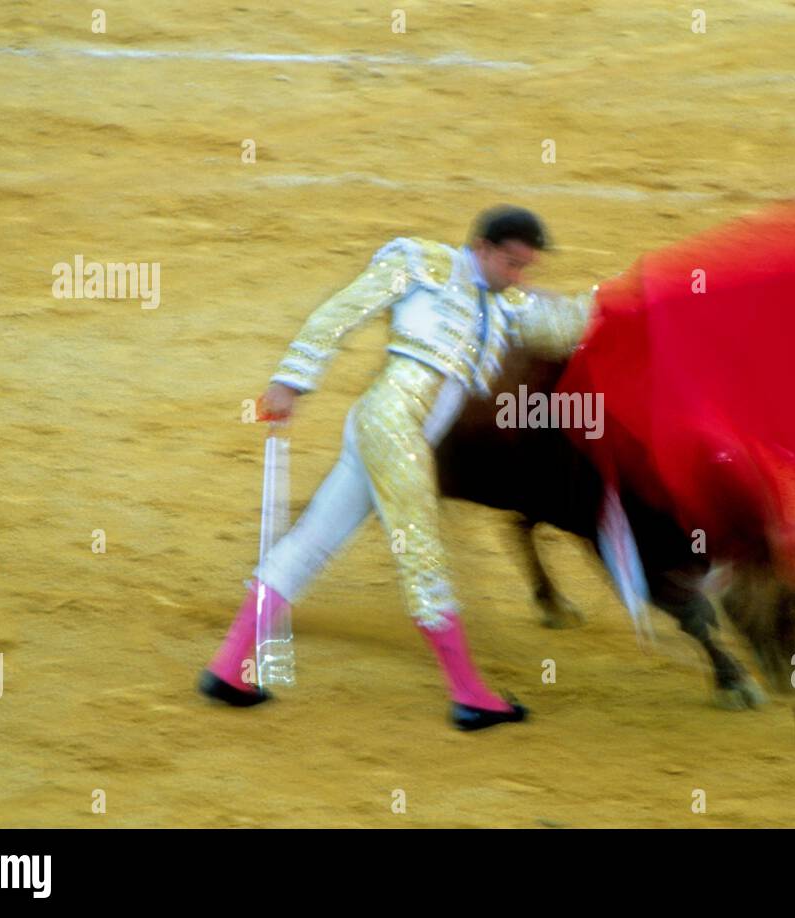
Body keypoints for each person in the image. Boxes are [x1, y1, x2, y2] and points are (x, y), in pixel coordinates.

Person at [200, 205, 596, 730]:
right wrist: (289, 380)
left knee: (313, 542)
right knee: (422, 554)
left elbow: (569, 323)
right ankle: (470, 695)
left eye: (526, 267)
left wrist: (639, 294)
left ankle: (228, 668)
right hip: (393, 428)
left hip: (386, 432)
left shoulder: (510, 304)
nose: (517, 275)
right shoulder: (421, 262)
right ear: (480, 246)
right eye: (511, 262)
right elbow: (343, 311)